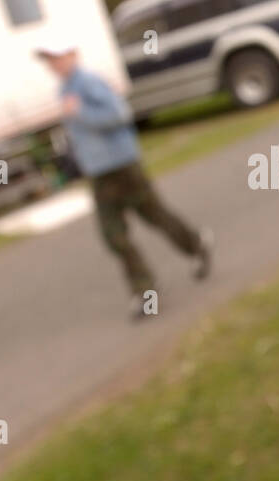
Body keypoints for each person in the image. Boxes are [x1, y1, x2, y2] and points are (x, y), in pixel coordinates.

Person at [36, 36, 211, 319]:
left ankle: (195, 244)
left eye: (57, 58)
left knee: (155, 216)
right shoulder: (64, 89)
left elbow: (119, 114)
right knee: (113, 235)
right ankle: (145, 291)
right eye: (49, 61)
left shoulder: (88, 83)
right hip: (99, 174)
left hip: (121, 167)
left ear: (72, 55)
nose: (54, 65)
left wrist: (81, 113)